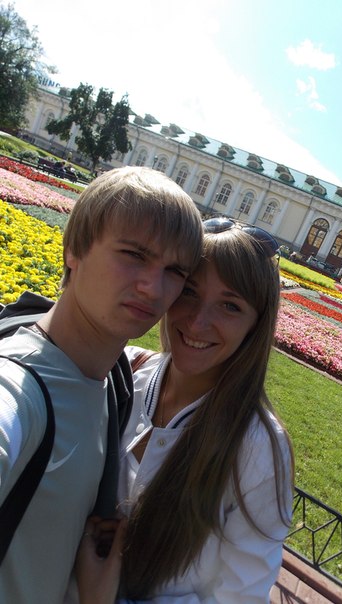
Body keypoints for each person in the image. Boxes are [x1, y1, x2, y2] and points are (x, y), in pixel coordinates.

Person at [0, 166, 203, 604]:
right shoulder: (17, 385)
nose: (153, 287)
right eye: (134, 254)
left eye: (175, 271)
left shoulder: (111, 380)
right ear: (74, 249)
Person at [75, 216, 295, 603]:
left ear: (255, 325)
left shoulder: (259, 447)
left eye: (230, 306)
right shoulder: (124, 370)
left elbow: (240, 597)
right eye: (190, 292)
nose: (197, 321)